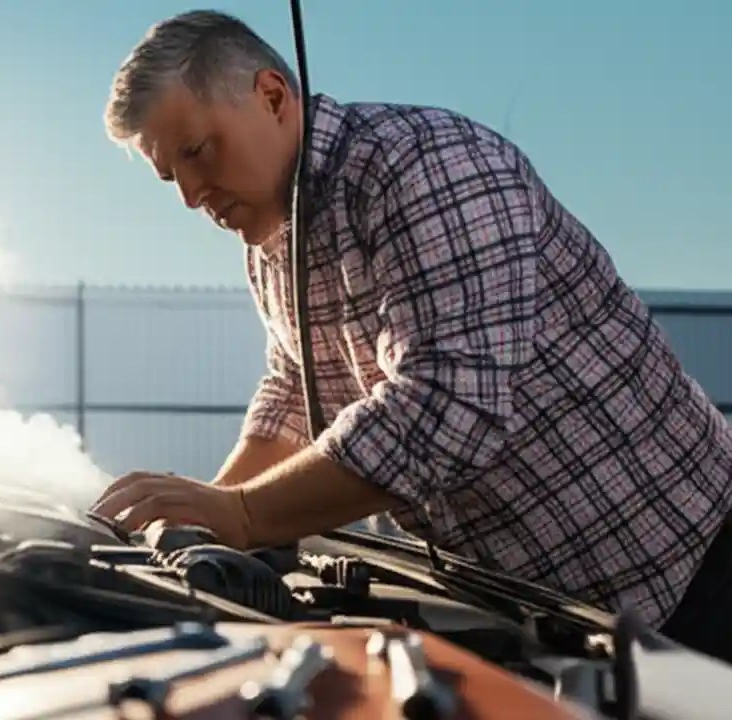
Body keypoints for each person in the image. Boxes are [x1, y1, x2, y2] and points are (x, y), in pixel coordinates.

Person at [89, 9, 732, 660]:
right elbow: (292, 394)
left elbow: (450, 407)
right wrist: (208, 519)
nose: (193, 196)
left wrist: (247, 516)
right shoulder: (272, 247)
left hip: (693, 575)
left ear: (273, 96)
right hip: (558, 617)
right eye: (173, 177)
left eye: (198, 151)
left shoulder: (426, 166)